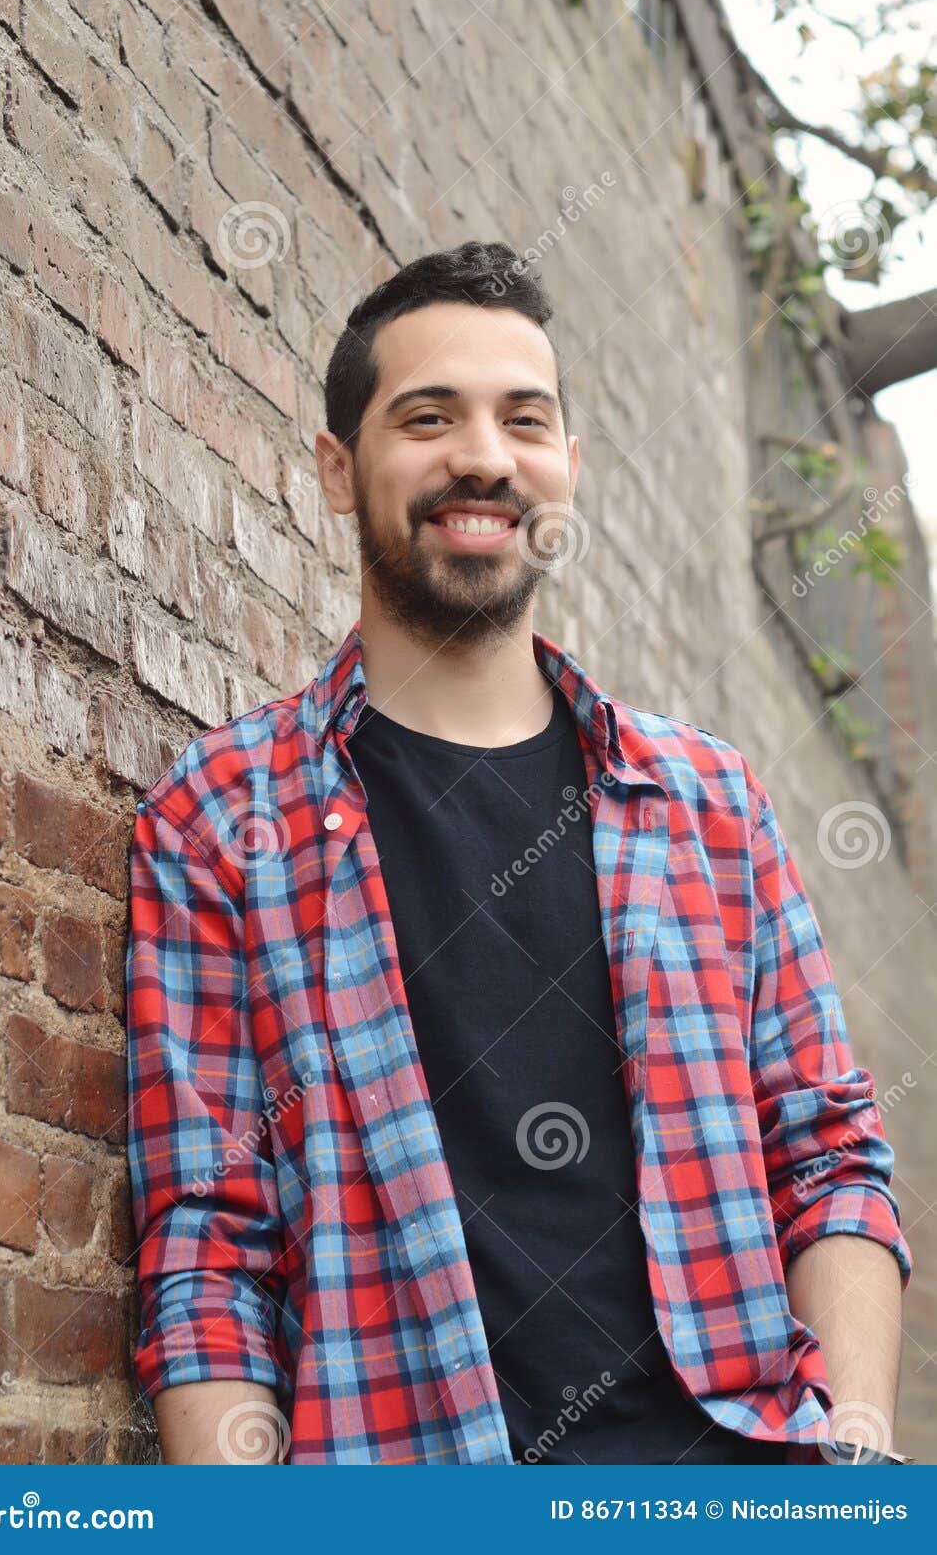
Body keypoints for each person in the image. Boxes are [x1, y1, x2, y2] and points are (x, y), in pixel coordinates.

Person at [125, 242, 911, 1465]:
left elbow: (827, 1155)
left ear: (566, 469)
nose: (483, 456)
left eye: (523, 420)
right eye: (427, 417)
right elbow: (210, 1244)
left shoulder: (706, 803)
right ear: (338, 470)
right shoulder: (222, 821)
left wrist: (853, 1459)